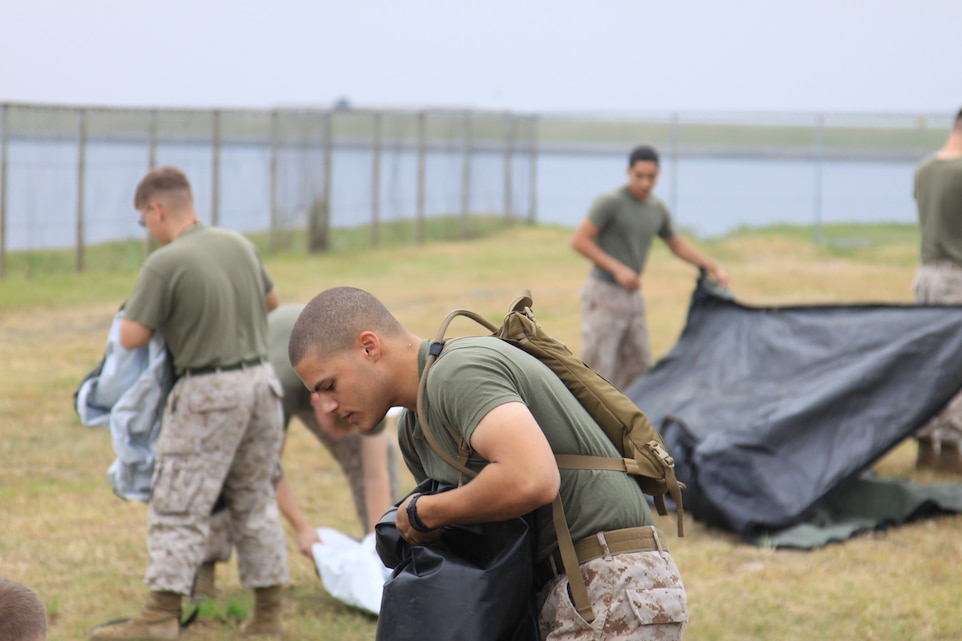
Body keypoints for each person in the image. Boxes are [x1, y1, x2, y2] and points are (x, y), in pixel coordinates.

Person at [288, 287, 689, 640]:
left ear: (369, 347)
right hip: (557, 588)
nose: (325, 407)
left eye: (329, 386)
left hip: (610, 580)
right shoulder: (414, 429)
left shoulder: (459, 373)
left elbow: (532, 479)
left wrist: (425, 511)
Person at [90, 166, 289, 640]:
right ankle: (268, 617)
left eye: (145, 221)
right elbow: (273, 302)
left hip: (207, 393)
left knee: (179, 503)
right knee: (256, 500)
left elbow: (132, 335)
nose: (149, 231)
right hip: (261, 385)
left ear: (155, 210)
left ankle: (159, 616)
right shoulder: (237, 243)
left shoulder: (166, 262)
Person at [198, 304, 401, 596]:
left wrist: (376, 541)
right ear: (317, 402)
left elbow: (375, 472)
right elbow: (268, 467)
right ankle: (205, 566)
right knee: (238, 468)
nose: (342, 427)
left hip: (321, 368)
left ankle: (388, 557)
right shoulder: (277, 387)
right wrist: (303, 528)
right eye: (339, 419)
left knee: (383, 454)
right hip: (252, 374)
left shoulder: (365, 386)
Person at [572, 145, 729, 391]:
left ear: (659, 175)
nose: (645, 183)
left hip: (633, 296)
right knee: (599, 368)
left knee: (639, 366)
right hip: (604, 293)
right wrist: (617, 269)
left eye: (651, 177)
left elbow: (676, 244)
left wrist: (711, 266)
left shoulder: (656, 209)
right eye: (639, 176)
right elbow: (580, 241)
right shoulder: (610, 202)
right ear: (628, 172)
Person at [912, 107, 962, 475]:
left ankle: (924, 441)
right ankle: (951, 448)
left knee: (925, 360)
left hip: (925, 275)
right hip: (954, 278)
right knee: (955, 365)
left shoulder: (924, 169)